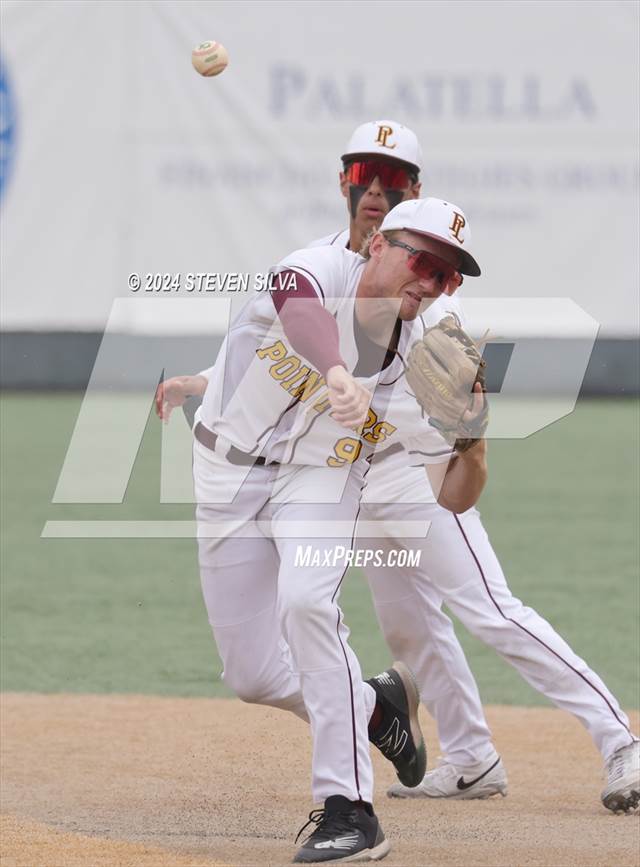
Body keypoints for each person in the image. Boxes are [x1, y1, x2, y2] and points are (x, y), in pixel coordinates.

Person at [157, 120, 639, 814]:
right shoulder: (325, 258)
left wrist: (472, 438)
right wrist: (204, 380)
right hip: (333, 465)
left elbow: (448, 457)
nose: (377, 190)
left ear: (415, 192)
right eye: (364, 176)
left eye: (396, 180)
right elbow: (285, 337)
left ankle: (618, 737)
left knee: (488, 605)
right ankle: (471, 755)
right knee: (407, 625)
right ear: (345, 183)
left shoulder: (432, 308)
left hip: (402, 467)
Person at [191, 195, 485, 863]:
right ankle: (375, 707)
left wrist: (472, 441)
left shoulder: (419, 362)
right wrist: (334, 371)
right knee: (255, 675)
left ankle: (351, 810)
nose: (432, 281)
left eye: (447, 275)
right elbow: (297, 305)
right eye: (424, 259)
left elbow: (454, 497)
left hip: (319, 477)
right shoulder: (322, 265)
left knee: (307, 602)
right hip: (224, 466)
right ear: (378, 242)